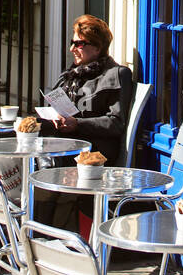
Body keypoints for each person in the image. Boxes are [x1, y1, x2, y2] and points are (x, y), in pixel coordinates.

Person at [35, 15, 132, 231]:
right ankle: (38, 232)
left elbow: (116, 123)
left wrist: (77, 124)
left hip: (93, 152)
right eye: (72, 43)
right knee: (29, 163)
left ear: (97, 47)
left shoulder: (116, 75)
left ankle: (48, 233)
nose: (72, 49)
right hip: (64, 145)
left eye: (78, 44)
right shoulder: (70, 75)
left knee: (43, 170)